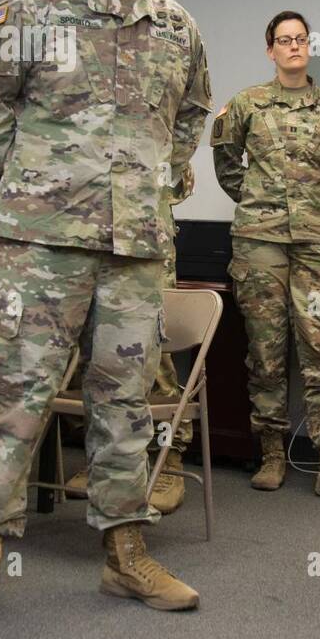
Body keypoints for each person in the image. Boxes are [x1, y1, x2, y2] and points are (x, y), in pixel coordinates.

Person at [0, 0, 212, 624]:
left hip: (136, 249)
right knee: (12, 397)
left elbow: (190, 117)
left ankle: (125, 556)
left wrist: (155, 183)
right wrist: (29, 184)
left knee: (125, 402)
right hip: (43, 245)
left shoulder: (178, 27)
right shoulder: (35, 6)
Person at [211, 11, 320, 505]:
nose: (294, 46)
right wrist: (261, 203)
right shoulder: (245, 105)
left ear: (308, 47)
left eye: (300, 39)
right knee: (266, 351)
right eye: (284, 40)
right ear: (270, 48)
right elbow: (227, 164)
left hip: (316, 242)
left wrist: (306, 207)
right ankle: (272, 453)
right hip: (259, 241)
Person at [63, 163, 195, 514]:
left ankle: (169, 458)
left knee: (152, 351)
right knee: (93, 353)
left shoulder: (149, 131)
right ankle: (103, 459)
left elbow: (178, 184)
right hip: (87, 239)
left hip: (144, 242)